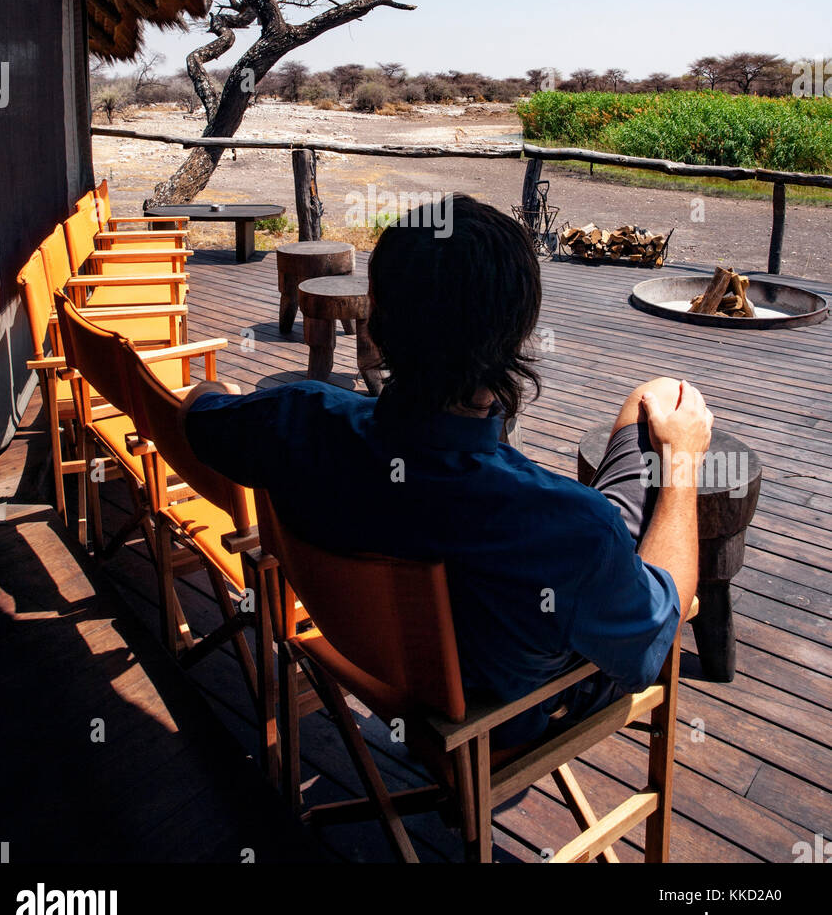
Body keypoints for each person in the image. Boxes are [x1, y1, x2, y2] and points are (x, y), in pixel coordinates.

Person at [180, 194, 712, 749]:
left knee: (646, 406)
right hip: (502, 715)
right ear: (517, 339)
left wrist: (224, 391)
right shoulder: (568, 524)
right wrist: (681, 464)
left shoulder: (294, 417)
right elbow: (654, 641)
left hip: (370, 658)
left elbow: (195, 414)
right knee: (659, 404)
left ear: (377, 328)